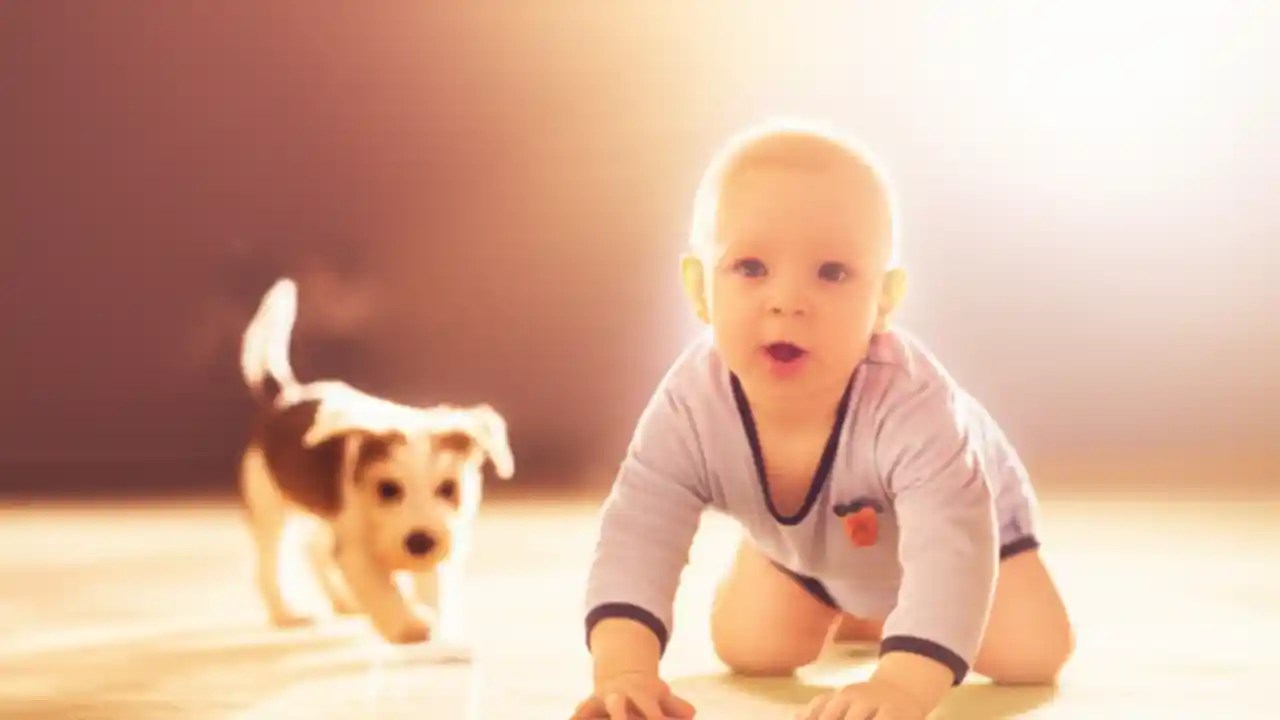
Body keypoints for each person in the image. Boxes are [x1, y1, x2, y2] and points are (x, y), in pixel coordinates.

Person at [571, 119, 1073, 720]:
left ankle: (888, 613)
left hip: (975, 539)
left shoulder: (912, 405)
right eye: (750, 267)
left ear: (883, 300)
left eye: (832, 272)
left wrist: (902, 686)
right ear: (700, 289)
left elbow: (952, 549)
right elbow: (637, 530)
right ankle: (826, 581)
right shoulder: (690, 404)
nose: (788, 300)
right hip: (812, 548)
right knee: (750, 647)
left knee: (1031, 653)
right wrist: (624, 670)